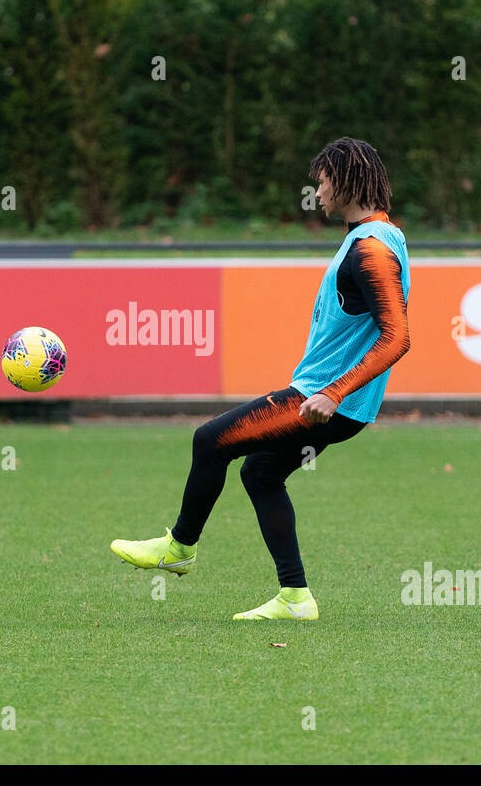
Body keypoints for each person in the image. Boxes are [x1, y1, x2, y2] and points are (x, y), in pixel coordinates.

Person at [110, 137, 411, 619]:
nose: (318, 190)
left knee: (210, 440)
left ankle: (179, 547)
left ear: (347, 180)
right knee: (261, 472)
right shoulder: (374, 238)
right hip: (332, 398)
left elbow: (397, 338)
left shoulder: (371, 250)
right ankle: (295, 598)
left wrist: (333, 393)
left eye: (324, 179)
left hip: (326, 399)